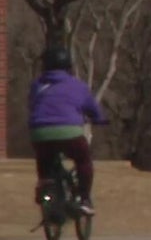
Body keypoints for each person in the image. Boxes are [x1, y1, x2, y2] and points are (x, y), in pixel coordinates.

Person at [28, 45, 108, 215]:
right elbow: (93, 109)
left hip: (40, 131)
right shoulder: (77, 85)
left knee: (44, 159)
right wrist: (99, 119)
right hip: (69, 132)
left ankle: (45, 186)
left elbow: (32, 105)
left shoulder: (37, 85)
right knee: (83, 160)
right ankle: (84, 199)